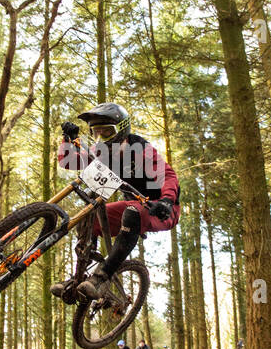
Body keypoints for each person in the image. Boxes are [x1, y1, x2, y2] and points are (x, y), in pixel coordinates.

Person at [52, 103, 180, 303]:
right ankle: (78, 277)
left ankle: (101, 277)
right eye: (97, 132)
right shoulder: (100, 151)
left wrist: (166, 201)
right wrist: (66, 140)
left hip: (161, 209)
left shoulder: (139, 148)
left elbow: (168, 175)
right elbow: (68, 161)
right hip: (133, 206)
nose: (102, 138)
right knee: (88, 217)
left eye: (107, 131)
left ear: (122, 129)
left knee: (132, 211)